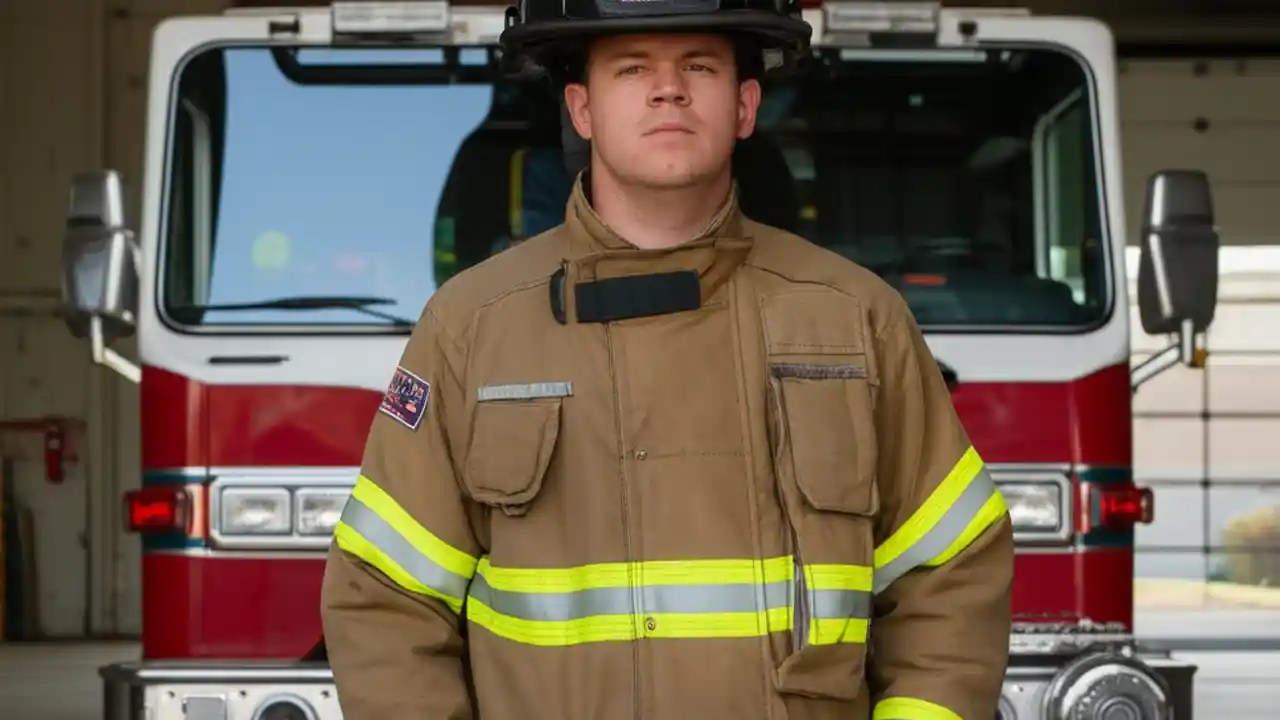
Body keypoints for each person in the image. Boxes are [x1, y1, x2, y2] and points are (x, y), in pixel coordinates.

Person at [320, 0, 1014, 717]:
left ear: (745, 105)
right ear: (581, 109)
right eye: (632, 68)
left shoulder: (855, 318)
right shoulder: (471, 326)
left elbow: (950, 576)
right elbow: (385, 601)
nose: (668, 88)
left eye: (699, 66)